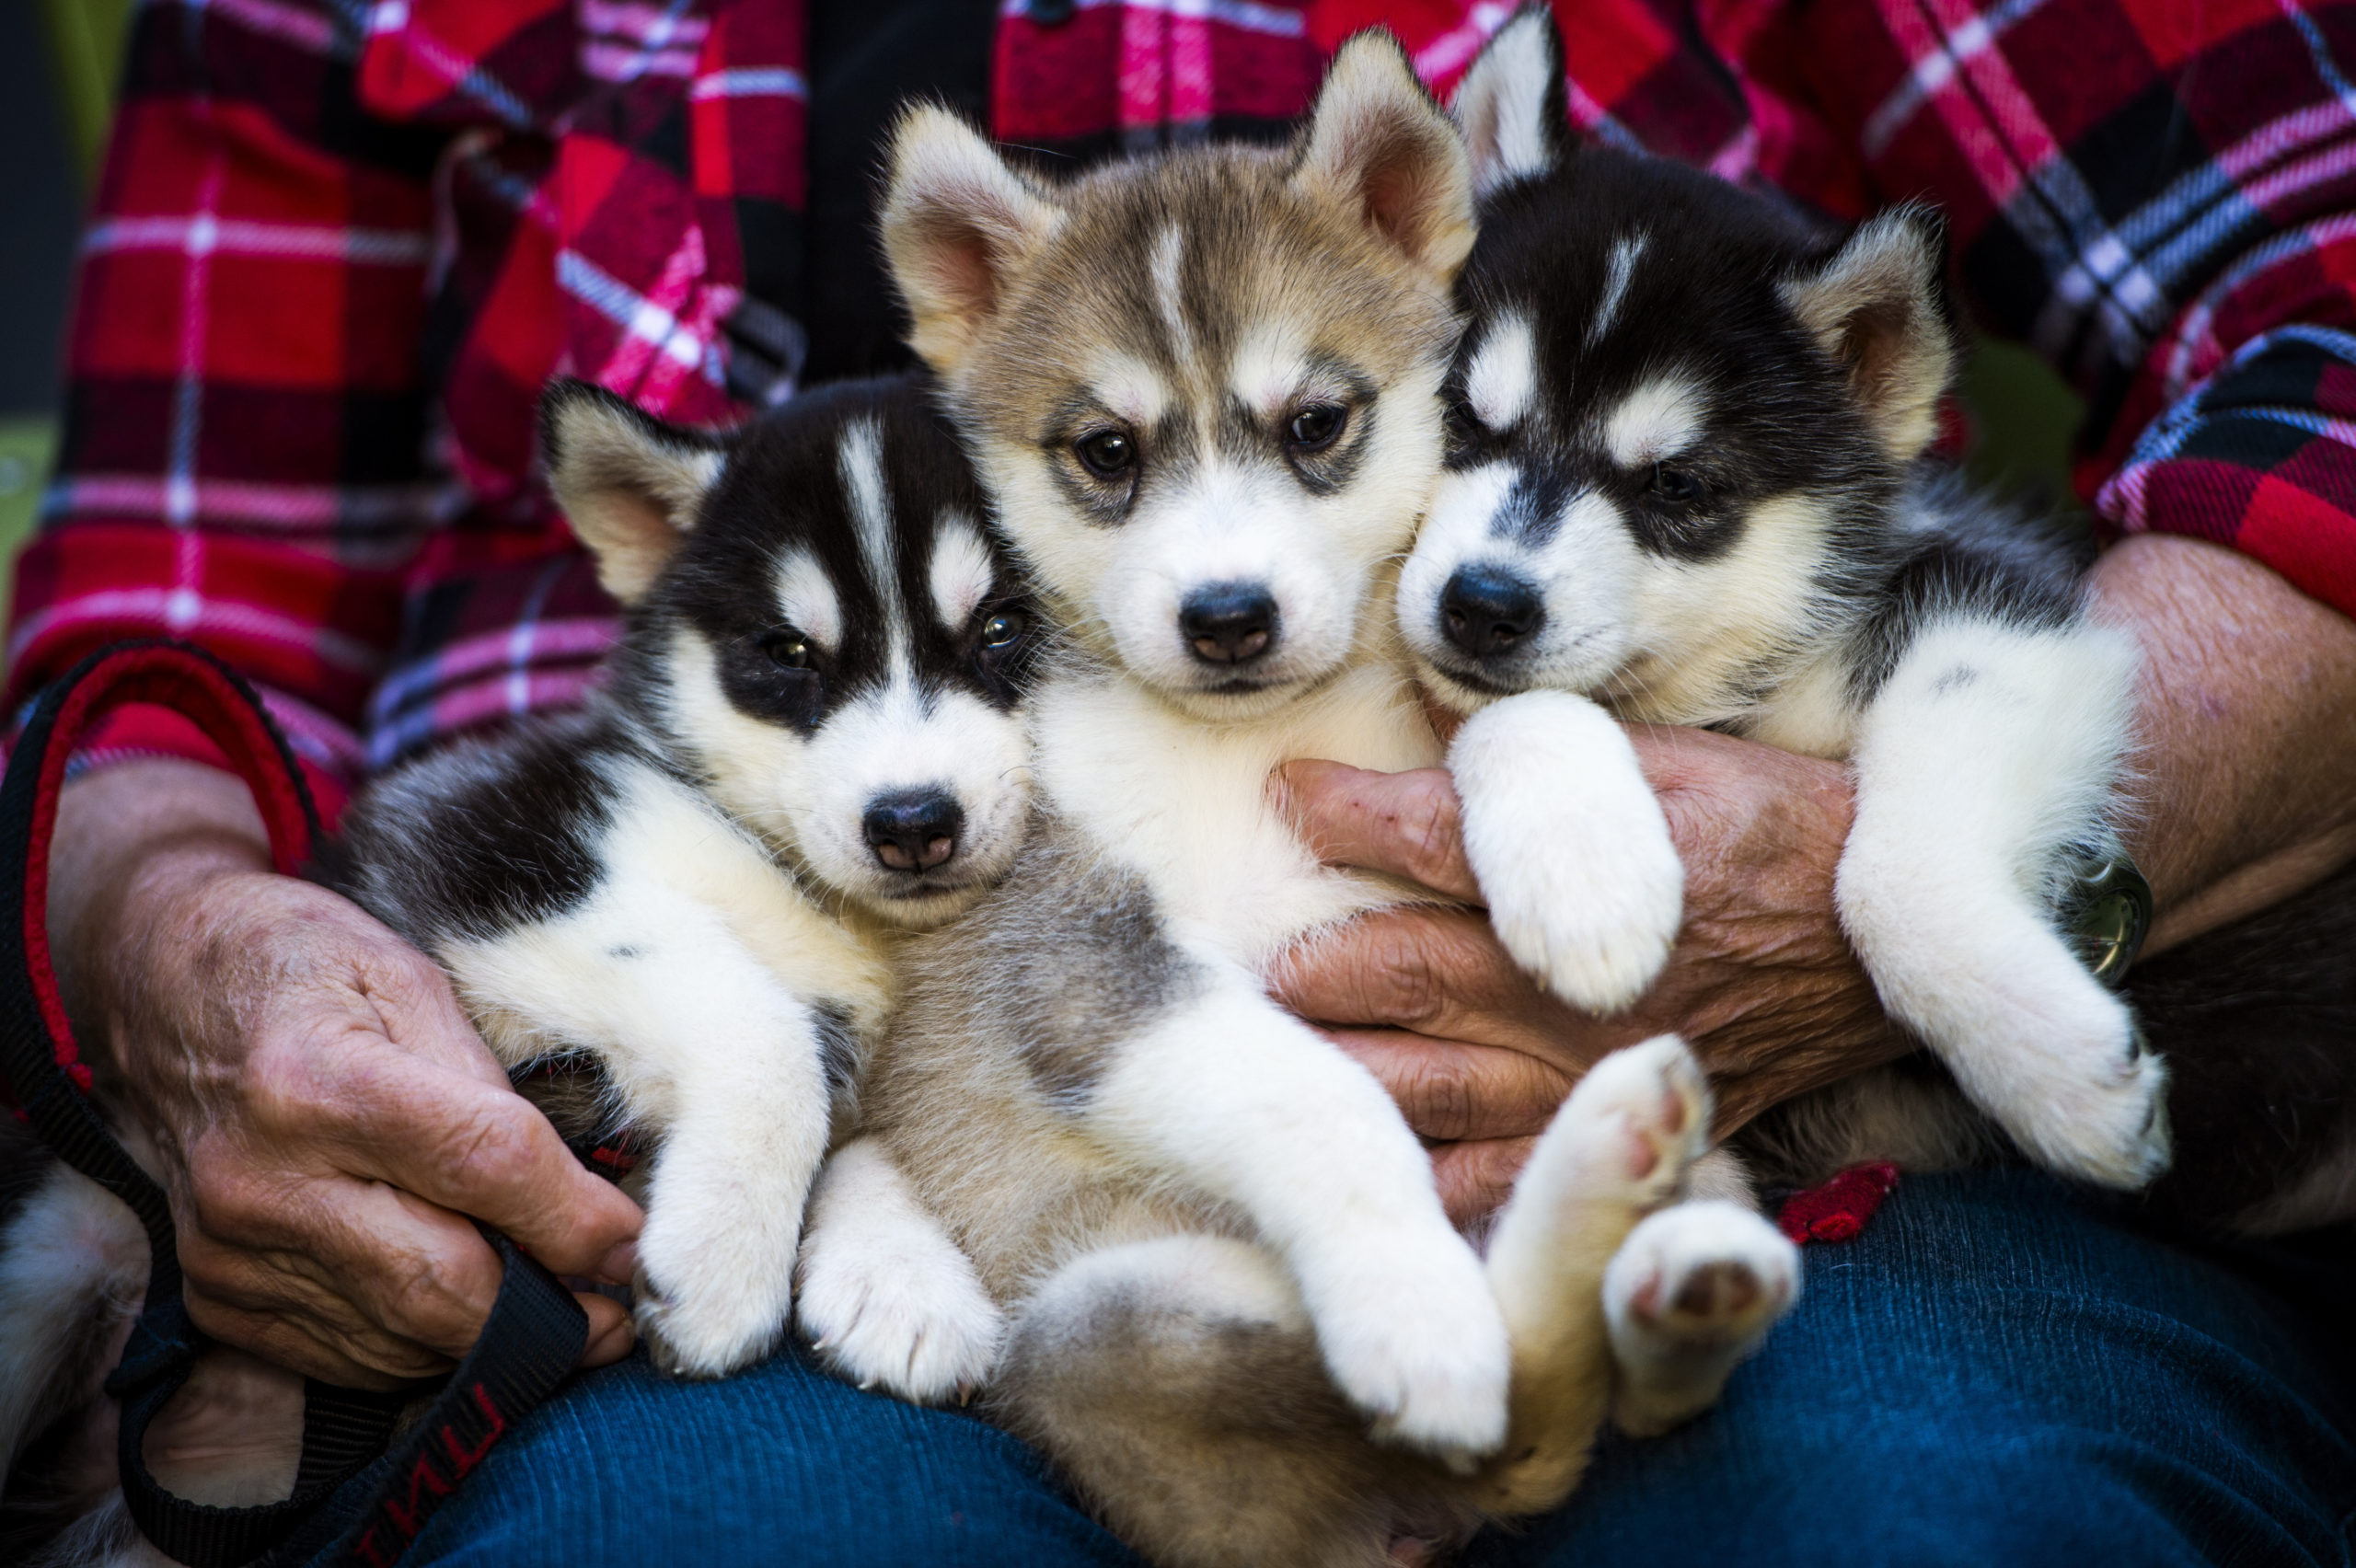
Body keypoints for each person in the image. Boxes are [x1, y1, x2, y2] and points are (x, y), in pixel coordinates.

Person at [16, 0, 2356, 1561]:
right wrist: (187, 956)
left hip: (1779, 1045)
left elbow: (2320, 282)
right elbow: (169, 605)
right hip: (767, 1067)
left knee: (1917, 1526)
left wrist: (1918, 890)